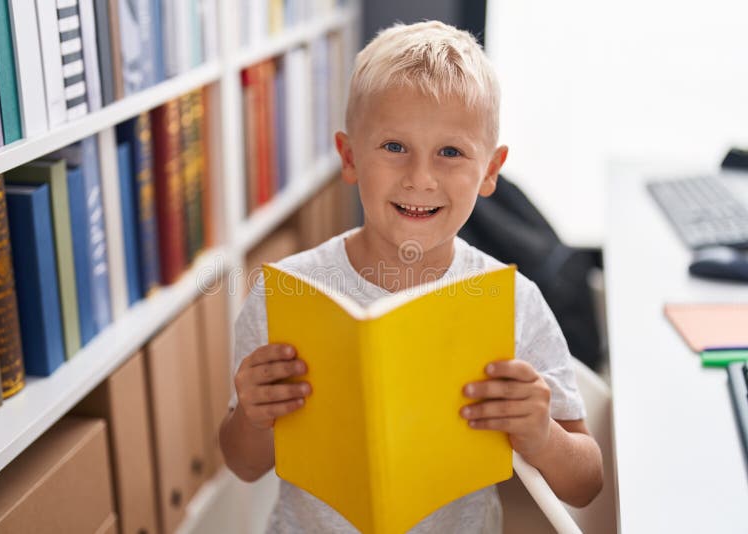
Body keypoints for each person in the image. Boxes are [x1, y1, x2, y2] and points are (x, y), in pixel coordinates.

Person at [219, 20, 604, 533]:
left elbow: (586, 483)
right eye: (394, 147)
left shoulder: (511, 300)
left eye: (450, 152)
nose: (420, 178)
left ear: (490, 170)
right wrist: (253, 414)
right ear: (350, 156)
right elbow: (244, 464)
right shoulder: (287, 293)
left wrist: (541, 435)